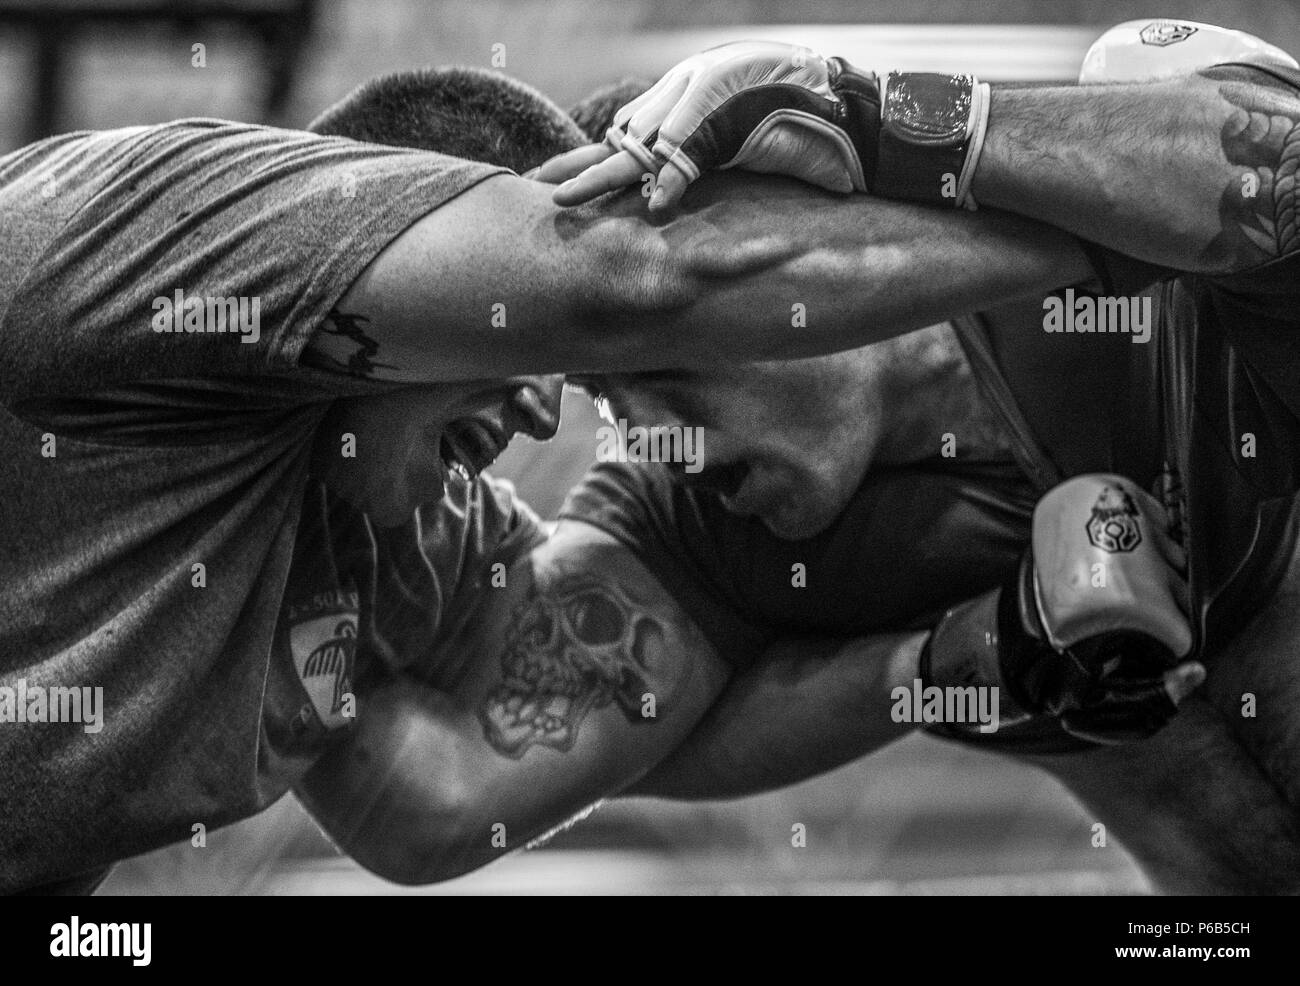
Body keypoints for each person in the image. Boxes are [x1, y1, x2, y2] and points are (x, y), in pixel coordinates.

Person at [536, 24, 1300, 892]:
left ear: (782, 256)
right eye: (605, 398)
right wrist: (950, 659)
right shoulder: (718, 528)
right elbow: (505, 782)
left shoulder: (1128, 214)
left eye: (659, 367)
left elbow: (1281, 170)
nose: (645, 437)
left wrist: (861, 113)